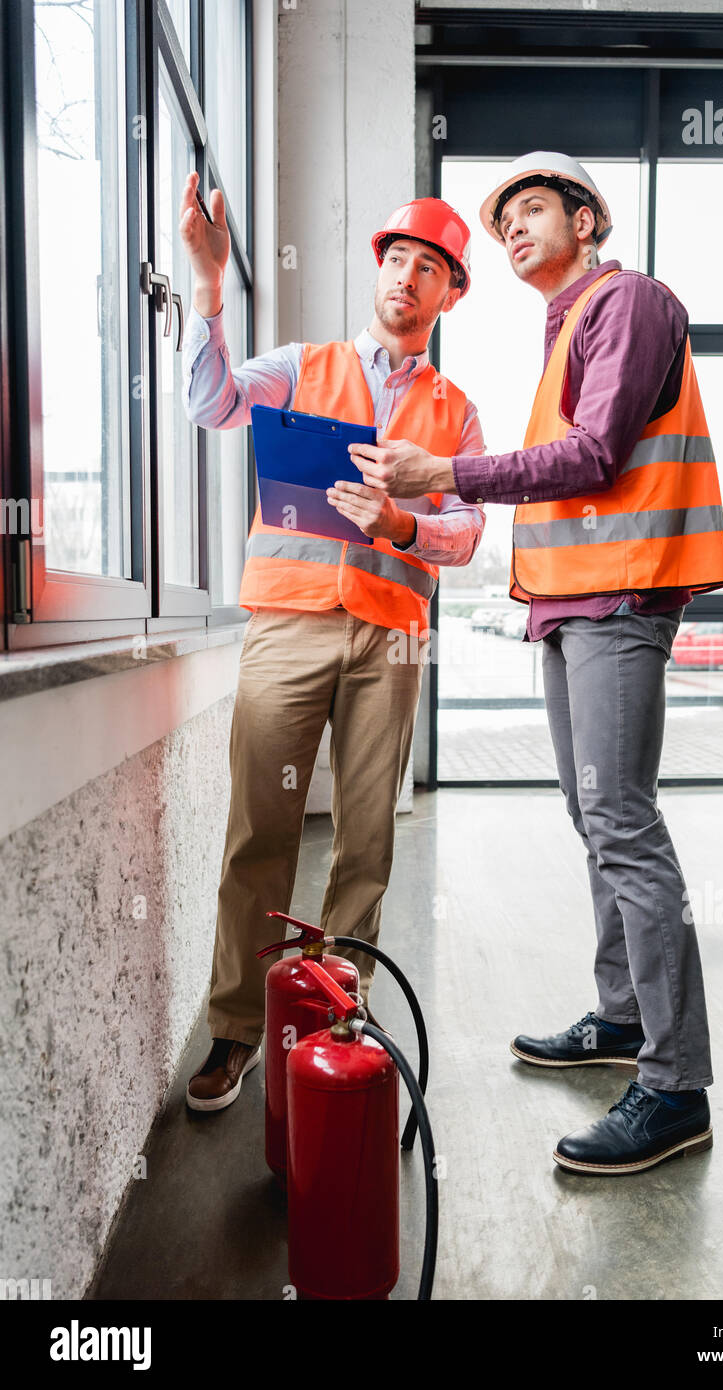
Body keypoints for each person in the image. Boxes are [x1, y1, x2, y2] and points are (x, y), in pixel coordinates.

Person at [350, 152, 723, 1174]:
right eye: (504, 216)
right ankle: (622, 1019)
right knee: (594, 817)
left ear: (586, 219)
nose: (514, 227)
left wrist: (448, 472)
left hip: (621, 598)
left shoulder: (629, 302)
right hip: (572, 604)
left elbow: (594, 456)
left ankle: (676, 1082)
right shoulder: (567, 326)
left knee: (623, 822)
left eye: (533, 209)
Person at [178, 172, 485, 1111]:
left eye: (429, 267)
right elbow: (212, 403)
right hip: (288, 629)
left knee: (365, 844)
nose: (408, 277)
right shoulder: (303, 366)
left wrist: (402, 526)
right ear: (379, 271)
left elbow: (467, 533)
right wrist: (205, 284)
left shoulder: (457, 410)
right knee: (256, 837)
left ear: (449, 294)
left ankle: (333, 1022)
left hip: (389, 643)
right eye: (397, 258)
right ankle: (236, 1031)